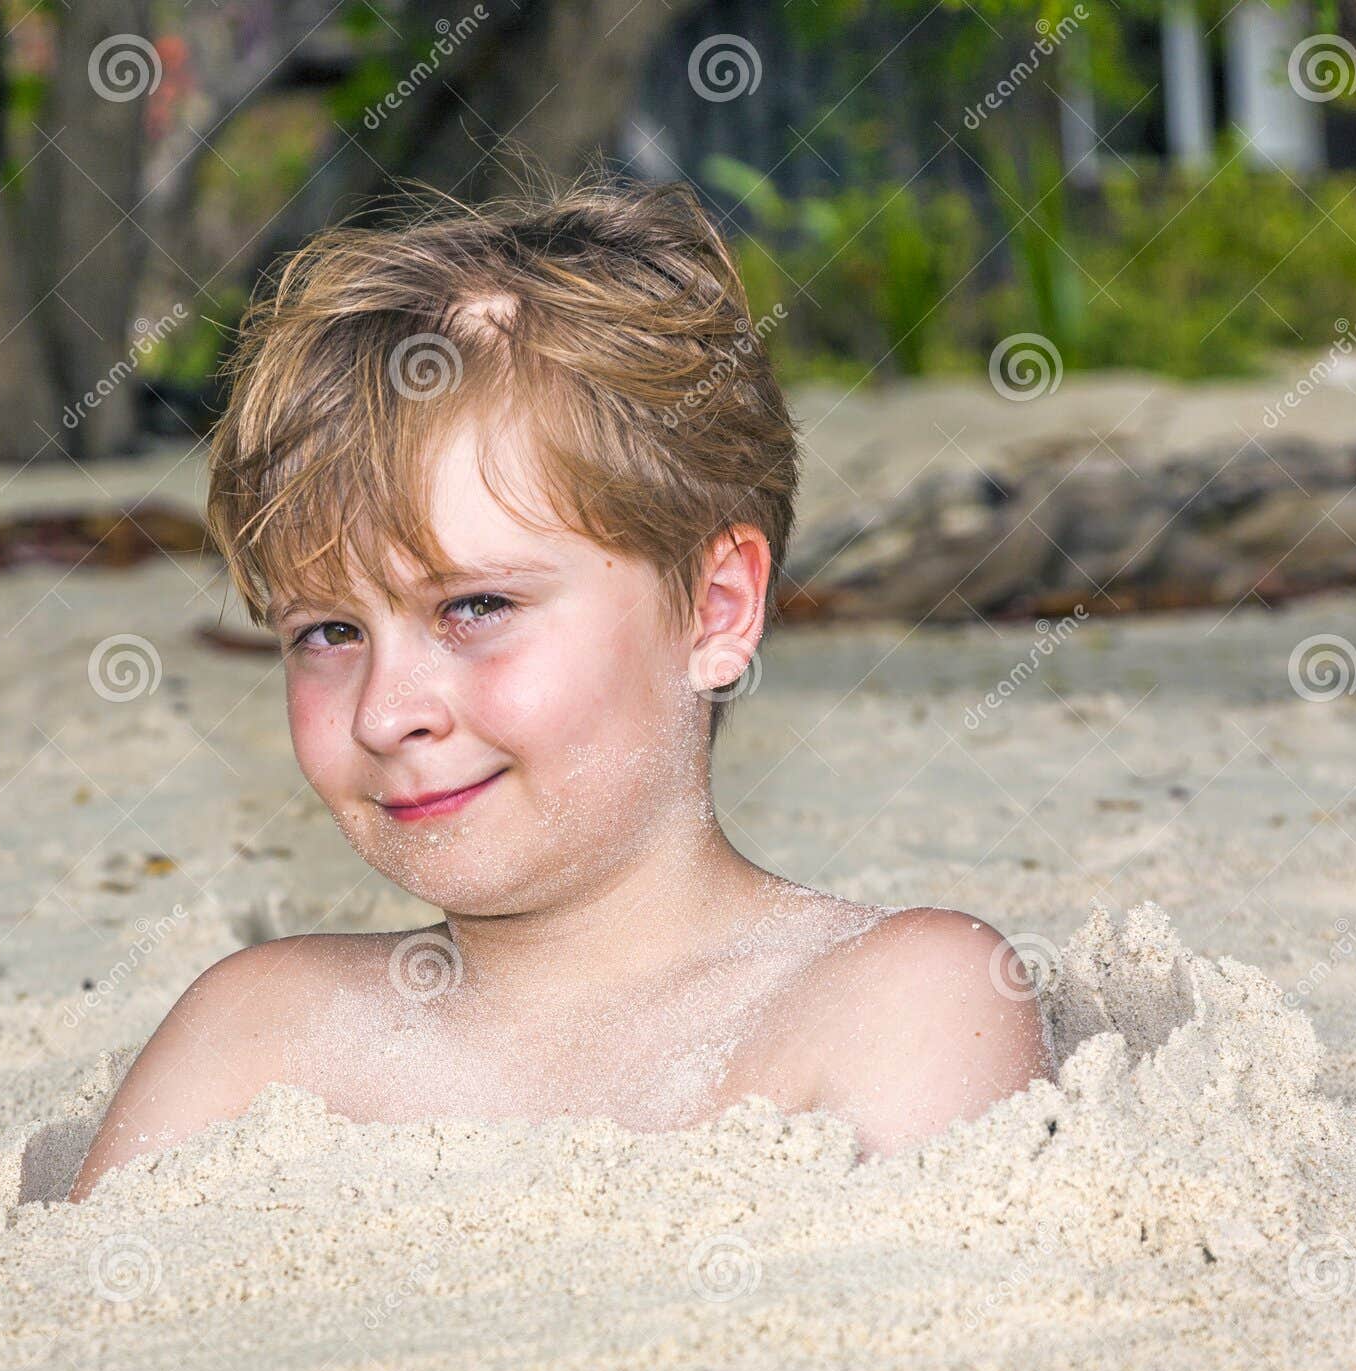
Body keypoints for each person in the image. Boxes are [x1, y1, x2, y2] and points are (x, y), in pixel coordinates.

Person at [67, 169, 1053, 1203]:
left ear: (717, 611)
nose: (384, 710)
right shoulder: (255, 1032)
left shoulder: (896, 1001)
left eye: (475, 608)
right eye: (327, 630)